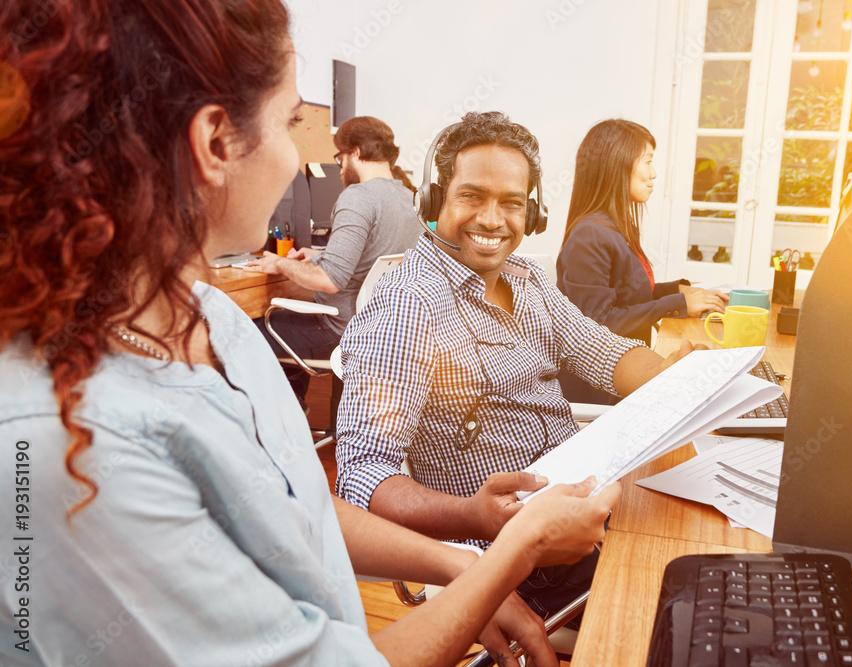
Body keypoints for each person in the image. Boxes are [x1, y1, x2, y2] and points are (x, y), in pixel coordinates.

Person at [0, 3, 621, 666]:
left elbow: (295, 512)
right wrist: (519, 546)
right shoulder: (71, 447)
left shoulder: (215, 320)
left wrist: (459, 561)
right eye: (291, 121)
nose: (300, 156)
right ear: (215, 143)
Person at [336, 111, 705, 626]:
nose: (492, 219)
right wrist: (473, 519)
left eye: (511, 203)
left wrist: (679, 374)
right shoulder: (410, 305)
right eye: (471, 196)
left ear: (532, 213)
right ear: (433, 199)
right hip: (523, 557)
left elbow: (606, 352)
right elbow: (363, 475)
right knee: (685, 619)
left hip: (585, 507)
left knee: (712, 564)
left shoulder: (526, 280)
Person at [245, 115, 422, 403]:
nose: (340, 169)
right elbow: (375, 254)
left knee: (244, 333)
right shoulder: (408, 196)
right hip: (379, 331)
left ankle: (280, 427)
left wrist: (280, 263)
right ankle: (296, 417)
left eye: (340, 158)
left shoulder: (359, 196)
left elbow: (329, 280)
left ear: (356, 152)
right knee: (283, 324)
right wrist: (322, 254)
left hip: (338, 332)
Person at [555, 119, 728, 403]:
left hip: (625, 376)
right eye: (647, 161)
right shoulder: (590, 235)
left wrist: (678, 291)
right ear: (616, 165)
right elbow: (599, 324)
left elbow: (625, 296)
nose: (654, 173)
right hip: (600, 390)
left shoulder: (612, 227)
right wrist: (678, 305)